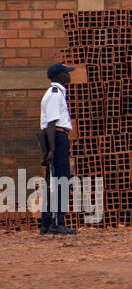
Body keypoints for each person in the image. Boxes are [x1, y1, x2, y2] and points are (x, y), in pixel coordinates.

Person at [39, 63, 77, 236]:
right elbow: (51, 124)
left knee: (53, 180)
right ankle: (57, 222)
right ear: (59, 76)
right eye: (66, 73)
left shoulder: (57, 93)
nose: (69, 75)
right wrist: (53, 150)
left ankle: (47, 224)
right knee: (60, 180)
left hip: (57, 137)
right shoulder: (55, 95)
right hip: (57, 138)